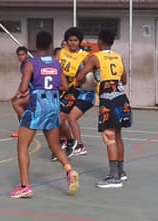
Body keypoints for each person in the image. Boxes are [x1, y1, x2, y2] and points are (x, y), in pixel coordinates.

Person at [10, 30, 79, 199]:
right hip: (53, 103)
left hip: (38, 104)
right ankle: (69, 170)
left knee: (22, 146)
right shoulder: (56, 63)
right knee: (55, 145)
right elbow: (64, 86)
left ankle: (25, 186)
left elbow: (23, 88)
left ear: (35, 45)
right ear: (50, 45)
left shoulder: (31, 63)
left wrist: (30, 84)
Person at [74, 29, 132, 189]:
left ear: (99, 41)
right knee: (118, 135)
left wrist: (86, 79)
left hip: (108, 99)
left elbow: (80, 77)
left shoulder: (95, 57)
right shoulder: (118, 57)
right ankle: (120, 171)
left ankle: (114, 177)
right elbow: (124, 79)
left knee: (109, 136)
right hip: (122, 97)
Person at [57, 27, 94, 158]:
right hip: (62, 88)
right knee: (57, 117)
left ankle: (77, 144)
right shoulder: (61, 52)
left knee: (63, 117)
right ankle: (65, 141)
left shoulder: (85, 56)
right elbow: (56, 68)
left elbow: (91, 72)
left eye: (75, 40)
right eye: (70, 40)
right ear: (66, 41)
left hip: (76, 90)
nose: (72, 43)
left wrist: (82, 77)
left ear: (80, 42)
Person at [9, 46, 31, 138]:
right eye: (19, 55)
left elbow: (32, 80)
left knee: (16, 104)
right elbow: (23, 81)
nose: (20, 56)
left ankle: (27, 126)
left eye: (23, 54)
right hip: (28, 91)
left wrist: (27, 92)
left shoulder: (29, 64)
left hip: (36, 92)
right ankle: (23, 128)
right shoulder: (22, 65)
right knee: (18, 105)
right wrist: (16, 94)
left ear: (26, 55)